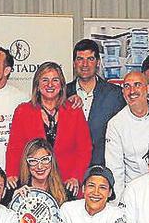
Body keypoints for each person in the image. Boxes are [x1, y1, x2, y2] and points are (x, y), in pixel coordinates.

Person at [6, 61, 91, 191]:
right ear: (37, 85)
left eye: (55, 80)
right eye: (45, 80)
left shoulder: (74, 110)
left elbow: (84, 149)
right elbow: (15, 148)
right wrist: (12, 174)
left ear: (62, 85)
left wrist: (76, 177)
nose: (50, 85)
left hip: (67, 183)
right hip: (33, 182)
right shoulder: (23, 111)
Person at [66, 39, 124, 167]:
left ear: (98, 62)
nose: (84, 64)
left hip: (103, 170)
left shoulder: (115, 95)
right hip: (68, 171)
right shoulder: (62, 94)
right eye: (80, 59)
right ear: (74, 63)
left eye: (90, 59)